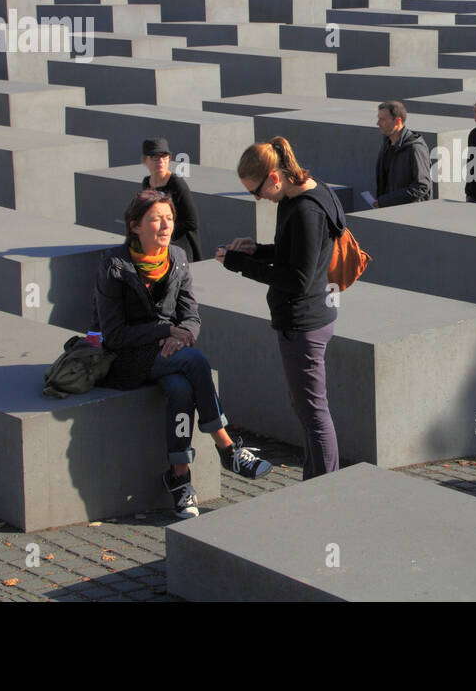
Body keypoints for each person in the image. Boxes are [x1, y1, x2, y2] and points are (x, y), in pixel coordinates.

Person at [93, 189, 271, 521]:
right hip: (127, 359)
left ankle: (179, 479)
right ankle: (227, 446)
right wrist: (165, 333)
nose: (165, 225)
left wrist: (183, 335)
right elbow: (114, 335)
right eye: (156, 219)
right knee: (196, 361)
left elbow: (191, 315)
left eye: (169, 219)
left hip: (170, 353)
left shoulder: (177, 257)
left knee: (180, 389)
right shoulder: (113, 265)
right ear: (135, 225)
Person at [219, 138, 344, 481]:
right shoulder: (302, 195)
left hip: (303, 323)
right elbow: (294, 251)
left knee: (314, 414)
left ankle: (324, 488)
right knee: (308, 410)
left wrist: (238, 265)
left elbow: (298, 278)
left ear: (274, 177)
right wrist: (256, 250)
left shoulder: (305, 210)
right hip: (307, 319)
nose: (258, 199)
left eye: (257, 191)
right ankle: (316, 479)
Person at [140, 137, 203, 262]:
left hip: (180, 246)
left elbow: (192, 222)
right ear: (145, 160)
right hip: (157, 245)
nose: (161, 161)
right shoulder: (146, 183)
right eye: (155, 157)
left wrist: (164, 232)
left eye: (164, 156)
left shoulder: (177, 184)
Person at [372, 100, 431, 208]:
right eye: (378, 119)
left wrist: (385, 201)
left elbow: (421, 186)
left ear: (398, 121)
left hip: (410, 214)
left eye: (383, 119)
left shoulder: (415, 148)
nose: (378, 123)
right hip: (387, 211)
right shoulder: (386, 145)